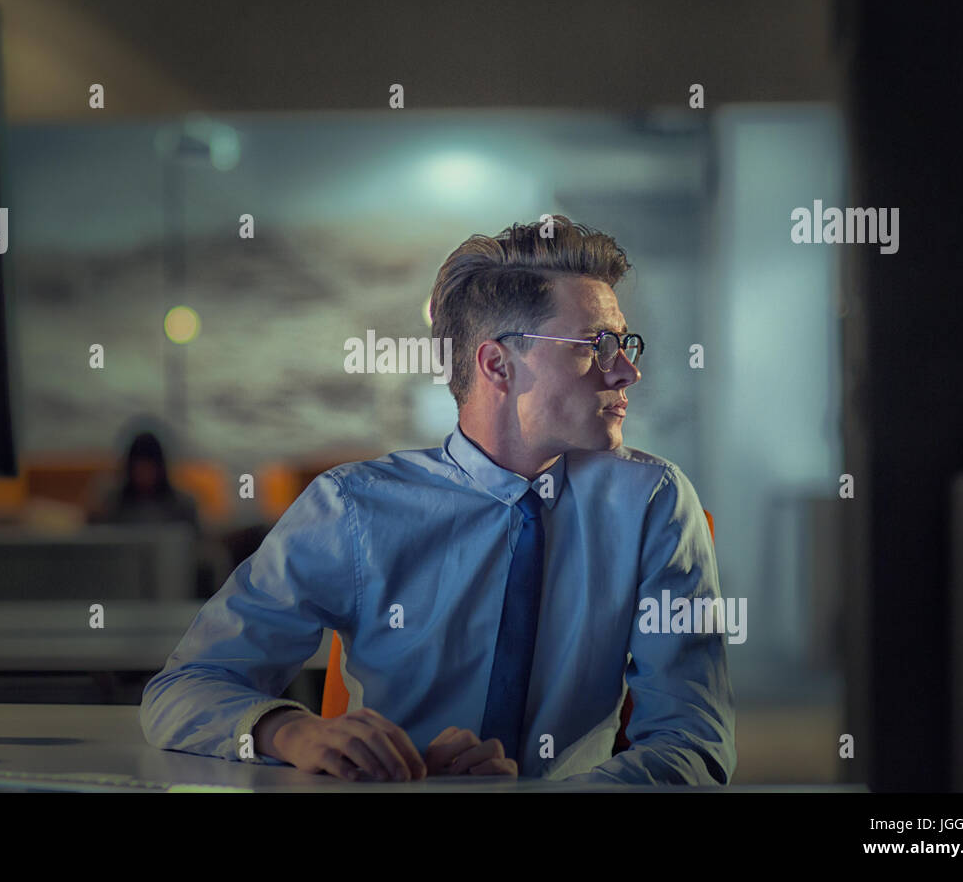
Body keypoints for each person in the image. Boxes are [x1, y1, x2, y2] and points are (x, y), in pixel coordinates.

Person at [140, 215, 735, 784]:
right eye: (595, 344)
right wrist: (292, 733)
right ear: (498, 364)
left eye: (624, 341)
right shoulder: (353, 508)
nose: (626, 369)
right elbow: (186, 686)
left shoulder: (653, 504)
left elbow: (692, 743)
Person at [89, 431, 199, 528]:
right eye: (139, 469)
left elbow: (197, 544)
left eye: (149, 469)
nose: (144, 475)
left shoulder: (183, 506)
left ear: (160, 469)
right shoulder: (112, 504)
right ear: (130, 469)